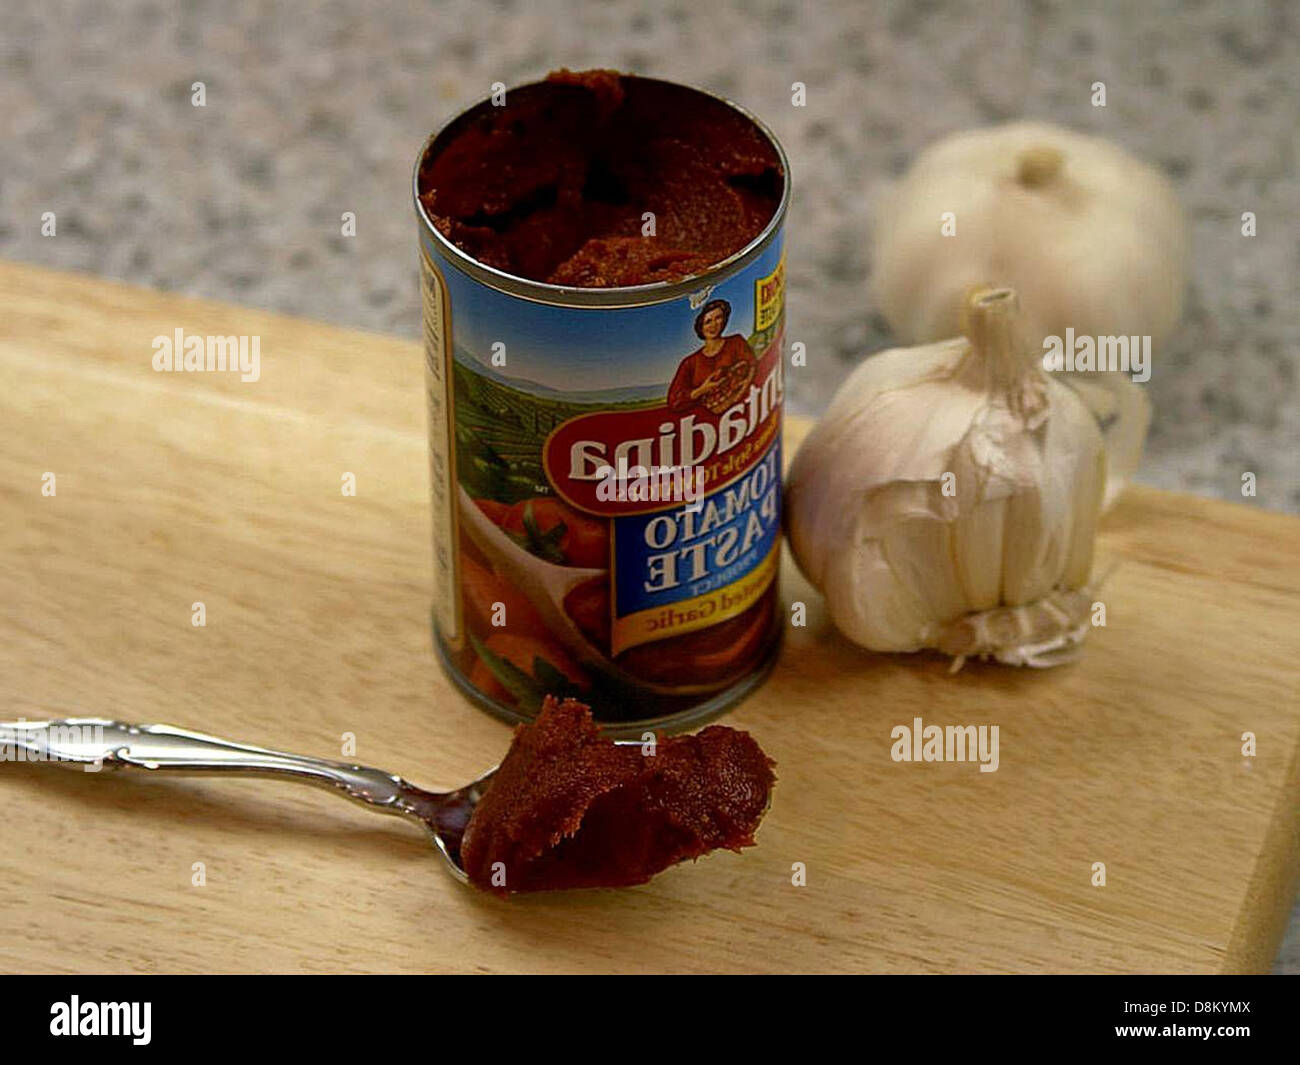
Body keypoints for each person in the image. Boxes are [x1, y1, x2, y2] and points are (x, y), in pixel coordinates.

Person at [667, 299, 756, 413]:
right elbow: (674, 401)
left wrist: (744, 387)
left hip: (743, 410)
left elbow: (752, 365)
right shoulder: (690, 362)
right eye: (708, 321)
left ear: (724, 320)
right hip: (703, 421)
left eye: (718, 318)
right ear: (701, 326)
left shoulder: (736, 342)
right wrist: (702, 390)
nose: (713, 325)